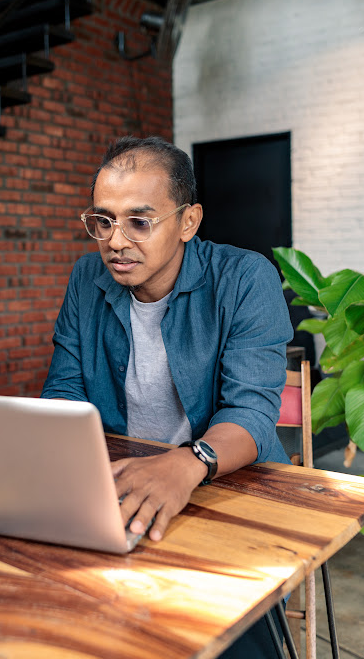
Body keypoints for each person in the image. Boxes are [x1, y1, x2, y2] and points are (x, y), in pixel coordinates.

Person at [41, 135, 294, 658]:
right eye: (102, 220)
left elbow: (251, 413)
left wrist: (188, 463)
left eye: (139, 220)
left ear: (188, 222)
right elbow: (64, 392)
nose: (115, 241)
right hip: (119, 486)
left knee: (225, 639)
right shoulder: (87, 278)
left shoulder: (246, 278)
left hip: (228, 489)